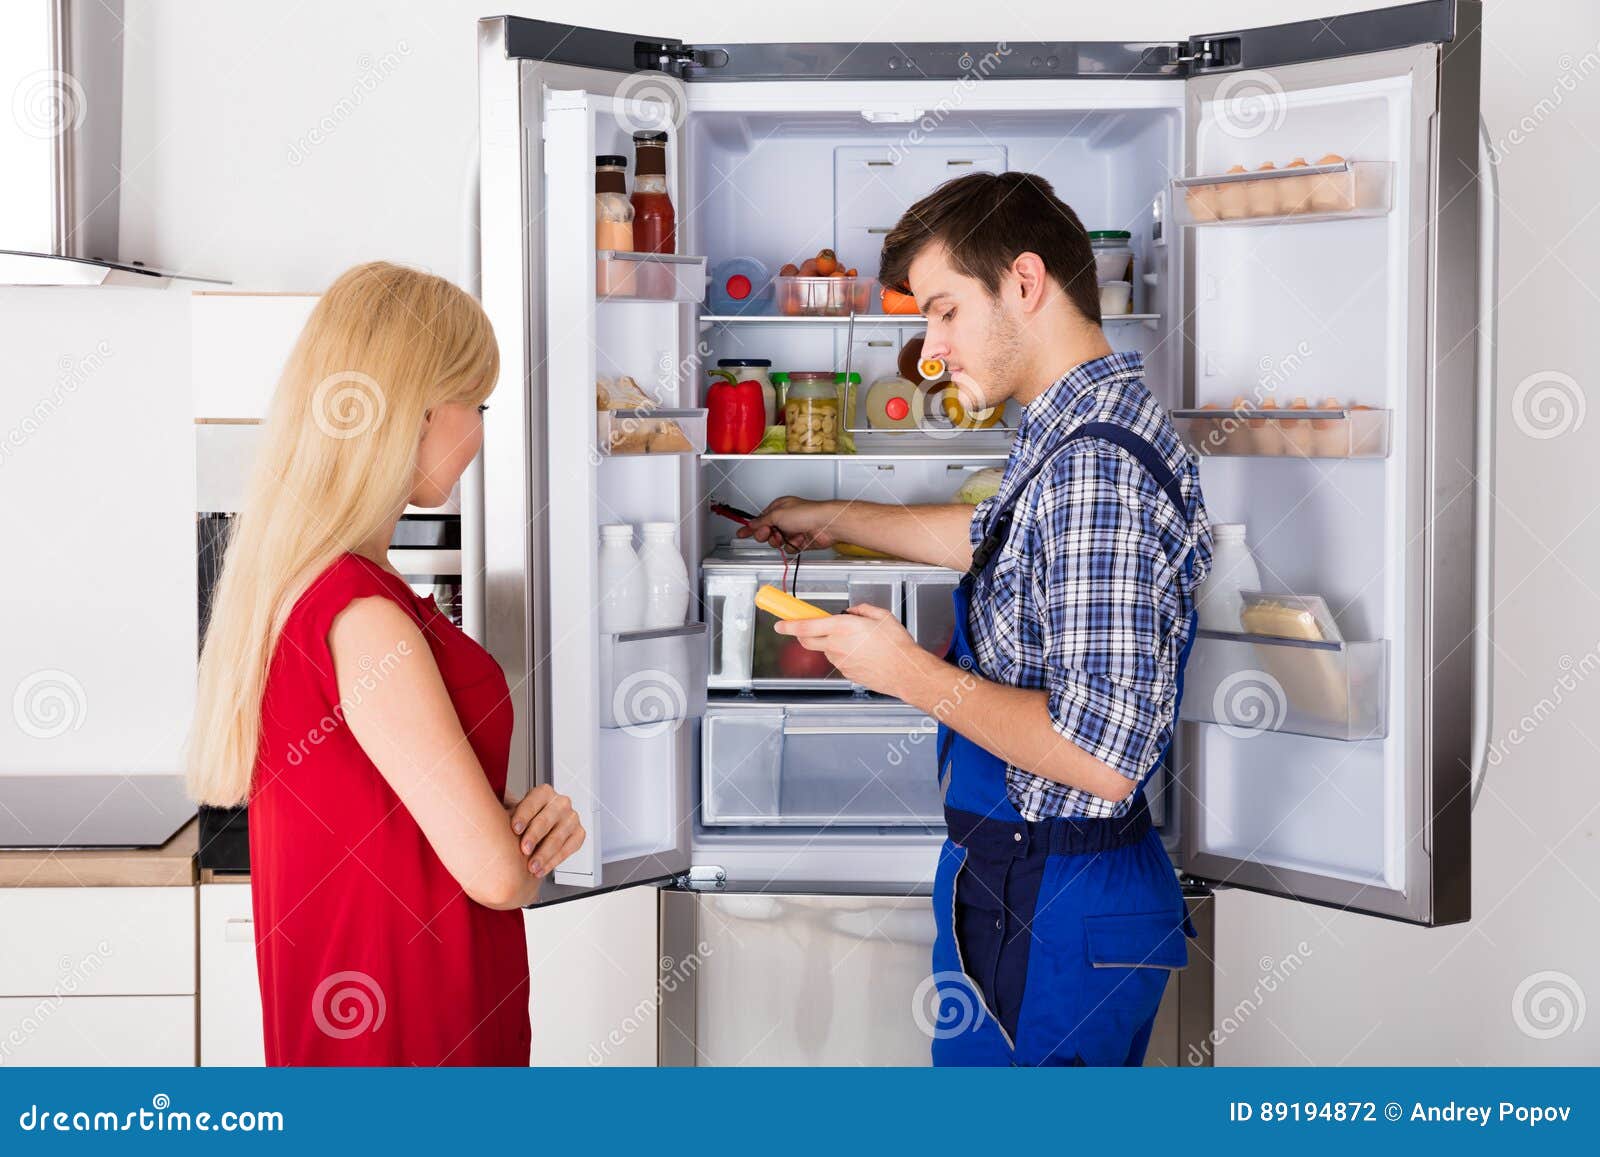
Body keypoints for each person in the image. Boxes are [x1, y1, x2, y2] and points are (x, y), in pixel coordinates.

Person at [739, 172, 1213, 1066]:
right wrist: (832, 515)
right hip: (1025, 880)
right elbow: (1001, 539)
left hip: (1058, 893)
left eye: (945, 311)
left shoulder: (1095, 471)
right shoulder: (1071, 427)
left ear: (1025, 283)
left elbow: (1102, 756)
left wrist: (906, 671)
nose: (930, 349)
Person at [185, 261, 583, 1066]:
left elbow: (372, 797)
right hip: (417, 1030)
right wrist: (519, 856)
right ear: (417, 411)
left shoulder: (307, 581)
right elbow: (499, 882)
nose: (478, 430)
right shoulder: (364, 612)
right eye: (477, 405)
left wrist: (503, 815)